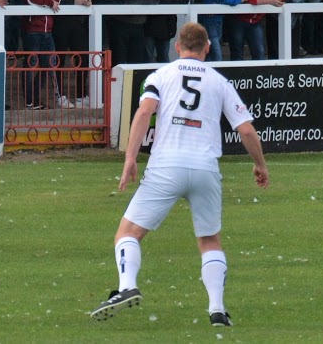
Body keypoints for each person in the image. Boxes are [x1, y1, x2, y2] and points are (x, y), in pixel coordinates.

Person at [90, 22, 267, 326]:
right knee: (210, 239)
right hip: (205, 168)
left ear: (176, 46)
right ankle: (217, 310)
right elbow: (246, 129)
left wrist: (131, 158)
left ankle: (126, 286)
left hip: (165, 166)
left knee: (128, 233)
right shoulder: (219, 81)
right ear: (207, 48)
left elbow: (144, 112)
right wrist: (260, 166)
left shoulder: (160, 76)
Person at [21, 0, 63, 109]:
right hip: (32, 29)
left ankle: (36, 100)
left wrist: (50, 1)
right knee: (31, 66)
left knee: (47, 65)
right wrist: (49, 2)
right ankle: (29, 102)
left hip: (48, 30)